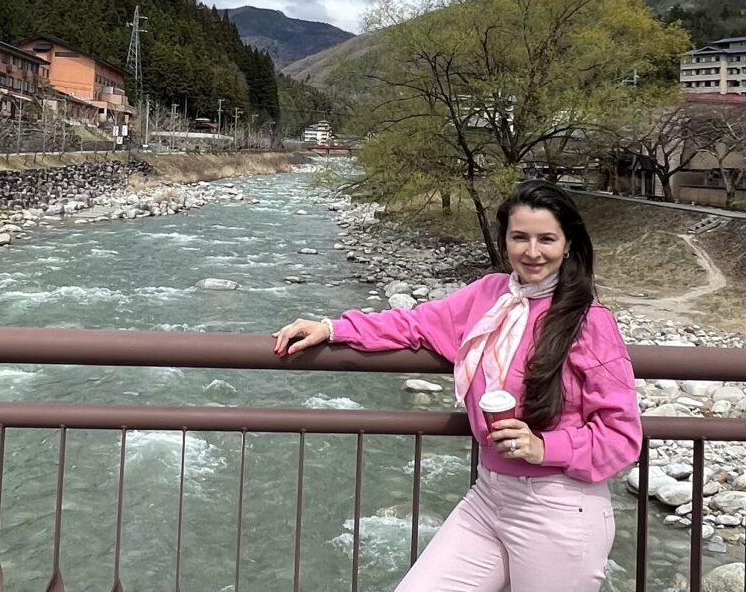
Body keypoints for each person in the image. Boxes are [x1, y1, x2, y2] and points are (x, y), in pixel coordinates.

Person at [272, 180, 642, 592]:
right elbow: (414, 324)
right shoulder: (489, 296)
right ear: (504, 241)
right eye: (520, 237)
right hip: (490, 497)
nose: (532, 252)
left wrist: (543, 447)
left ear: (568, 244)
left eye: (546, 239)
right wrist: (332, 327)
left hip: (559, 507)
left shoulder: (590, 322)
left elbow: (622, 436)